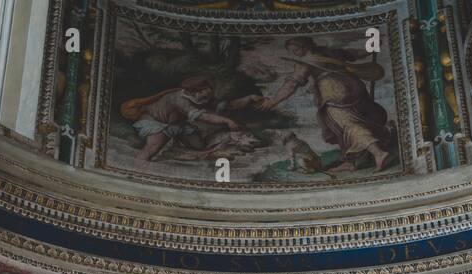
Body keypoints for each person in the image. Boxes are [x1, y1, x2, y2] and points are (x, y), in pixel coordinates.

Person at [256, 37, 393, 173]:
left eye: (296, 50)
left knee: (347, 124)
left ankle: (378, 153)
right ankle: (352, 161)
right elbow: (355, 54)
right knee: (353, 121)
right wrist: (372, 46)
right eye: (292, 51)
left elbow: (292, 84)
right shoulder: (329, 51)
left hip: (333, 92)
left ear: (305, 46)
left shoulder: (304, 61)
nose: (295, 54)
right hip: (354, 86)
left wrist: (273, 101)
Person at [120, 76, 261, 162]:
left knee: (199, 145)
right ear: (197, 91)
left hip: (179, 124)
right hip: (156, 122)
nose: (208, 98)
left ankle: (175, 146)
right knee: (152, 148)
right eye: (205, 94)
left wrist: (249, 98)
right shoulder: (179, 99)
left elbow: (227, 105)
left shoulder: (203, 96)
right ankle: (141, 167)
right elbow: (204, 117)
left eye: (209, 93)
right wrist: (226, 121)